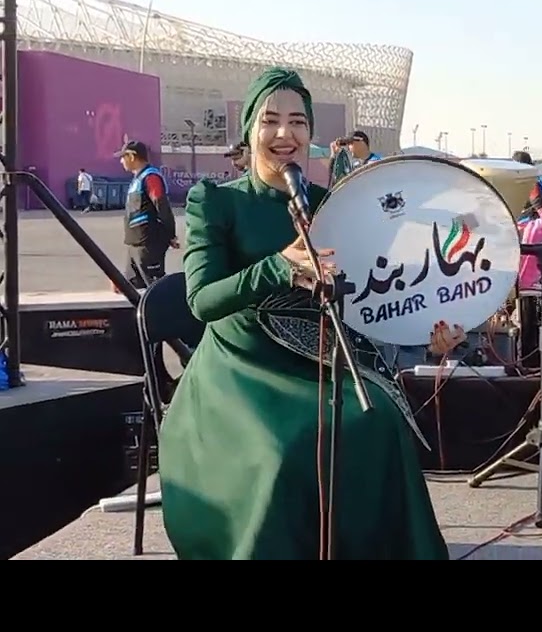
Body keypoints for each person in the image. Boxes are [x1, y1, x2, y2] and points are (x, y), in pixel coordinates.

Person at [157, 67, 459, 560]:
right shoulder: (214, 201)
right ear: (250, 128)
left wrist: (427, 336)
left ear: (311, 134)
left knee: (379, 418)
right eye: (270, 120)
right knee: (284, 449)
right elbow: (202, 300)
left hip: (315, 362)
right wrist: (278, 266)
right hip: (239, 368)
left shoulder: (330, 204)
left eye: (298, 121)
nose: (284, 133)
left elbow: (370, 294)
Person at [116, 141, 178, 288]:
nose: (121, 161)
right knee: (131, 287)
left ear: (132, 156)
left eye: (123, 156)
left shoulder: (151, 177)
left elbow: (162, 206)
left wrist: (170, 234)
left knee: (155, 288)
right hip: (135, 244)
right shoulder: (137, 180)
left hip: (148, 243)